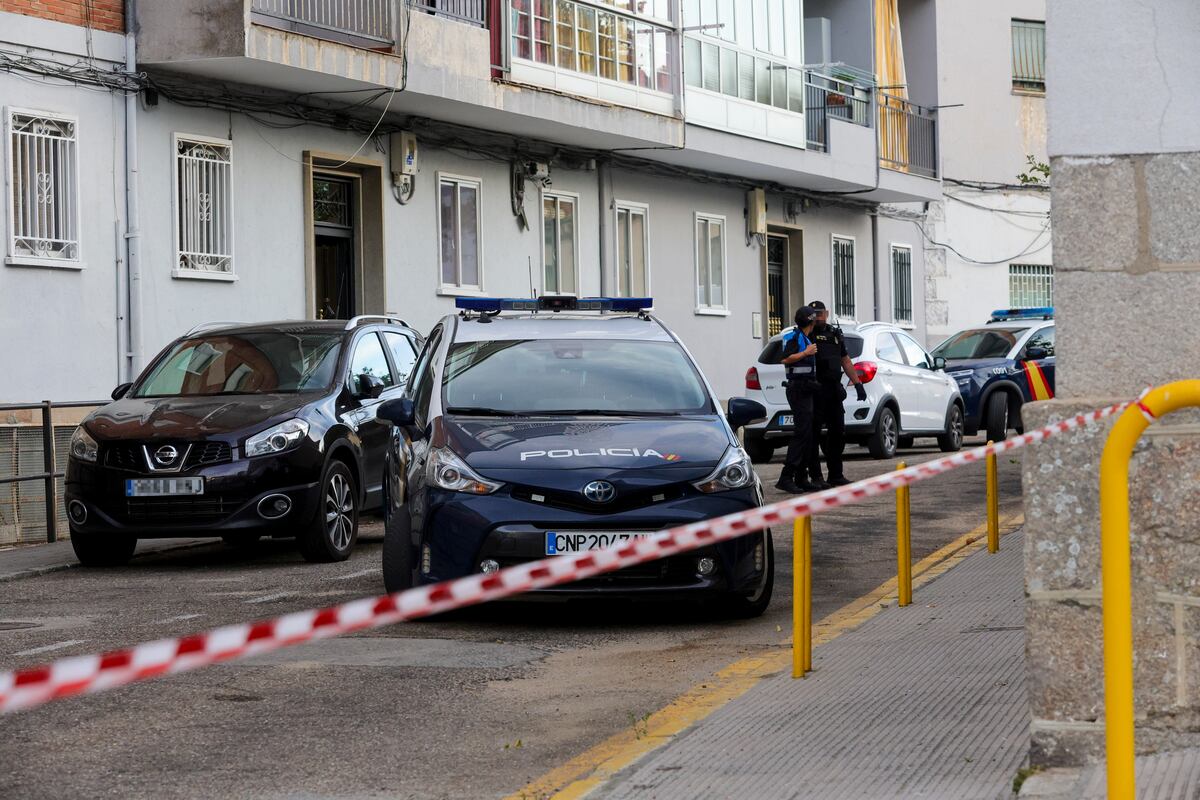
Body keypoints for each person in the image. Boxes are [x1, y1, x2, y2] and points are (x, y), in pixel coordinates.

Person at [805, 300, 868, 488]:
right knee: (814, 435)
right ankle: (816, 477)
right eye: (814, 313)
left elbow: (845, 360)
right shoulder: (806, 334)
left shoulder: (834, 333)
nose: (817, 317)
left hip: (833, 389)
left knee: (838, 433)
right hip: (815, 390)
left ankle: (836, 474)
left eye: (820, 313)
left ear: (827, 313)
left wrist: (857, 384)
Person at [776, 306, 822, 494]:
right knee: (801, 433)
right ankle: (786, 477)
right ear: (811, 322)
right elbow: (785, 359)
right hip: (798, 390)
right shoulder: (795, 337)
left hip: (805, 389)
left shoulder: (803, 337)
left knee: (807, 434)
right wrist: (806, 353)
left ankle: (801, 477)